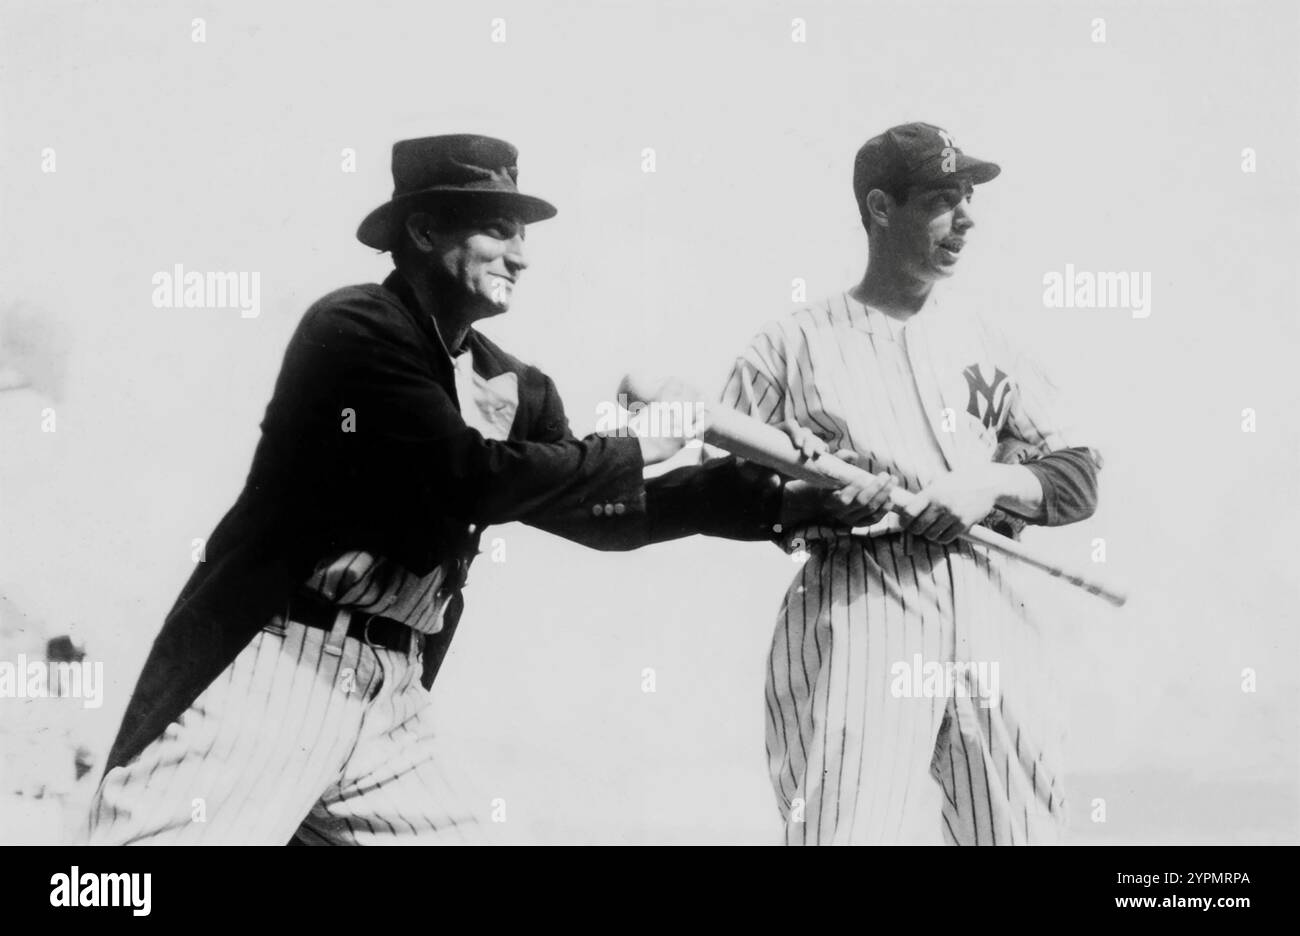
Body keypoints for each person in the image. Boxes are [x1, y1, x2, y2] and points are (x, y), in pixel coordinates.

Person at [87, 134, 814, 844]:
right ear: (426, 229)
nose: (523, 255)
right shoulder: (353, 329)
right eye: (500, 230)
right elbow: (463, 477)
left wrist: (778, 499)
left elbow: (599, 513)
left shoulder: (514, 382)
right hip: (273, 668)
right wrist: (646, 441)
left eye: (524, 235)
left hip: (391, 695)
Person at [721, 122, 1103, 845]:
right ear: (879, 207)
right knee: (846, 832)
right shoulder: (792, 344)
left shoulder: (990, 339)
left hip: (992, 607)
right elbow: (724, 486)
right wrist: (808, 497)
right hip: (863, 604)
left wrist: (988, 486)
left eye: (967, 197)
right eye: (941, 198)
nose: (966, 217)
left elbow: (1078, 477)